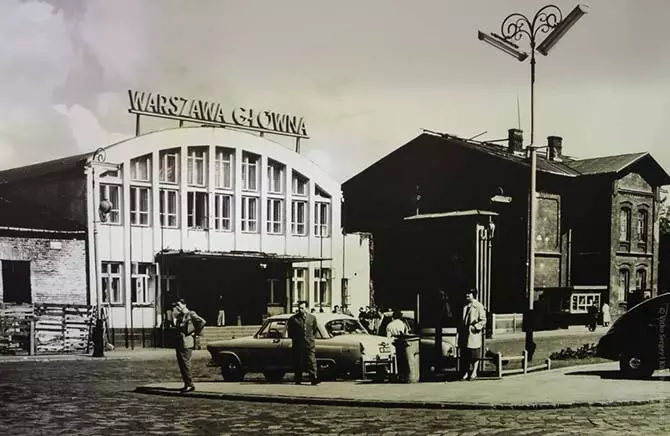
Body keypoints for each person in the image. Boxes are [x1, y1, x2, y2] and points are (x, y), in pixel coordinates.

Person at [172, 299, 206, 393]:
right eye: (176, 306)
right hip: (179, 342)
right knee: (182, 364)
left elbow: (202, 322)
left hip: (187, 342)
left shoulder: (191, 314)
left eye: (179, 305)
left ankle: (190, 384)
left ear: (184, 305)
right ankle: (186, 383)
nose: (177, 308)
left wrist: (195, 332)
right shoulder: (180, 316)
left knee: (186, 364)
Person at [287, 301, 320, 385]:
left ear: (307, 308)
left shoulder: (312, 318)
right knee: (298, 361)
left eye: (303, 308)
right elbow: (290, 331)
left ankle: (314, 378)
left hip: (309, 343)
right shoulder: (293, 319)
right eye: (300, 308)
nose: (301, 310)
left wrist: (311, 338)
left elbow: (314, 330)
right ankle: (298, 379)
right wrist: (295, 339)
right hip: (298, 343)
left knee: (311, 361)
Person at [458, 288, 486, 381]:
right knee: (465, 354)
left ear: (473, 294)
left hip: (473, 334)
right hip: (464, 333)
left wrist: (476, 327)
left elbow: (483, 320)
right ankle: (465, 372)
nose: (467, 295)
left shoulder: (478, 306)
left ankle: (474, 372)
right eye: (466, 293)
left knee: (474, 354)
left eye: (469, 293)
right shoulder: (464, 306)